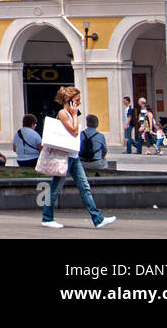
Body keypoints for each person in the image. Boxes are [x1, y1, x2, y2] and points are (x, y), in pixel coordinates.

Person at [41, 86, 116, 229]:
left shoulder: (69, 113)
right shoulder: (63, 113)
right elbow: (74, 131)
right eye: (77, 100)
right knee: (56, 188)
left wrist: (74, 114)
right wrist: (74, 115)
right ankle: (47, 217)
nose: (79, 103)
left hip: (73, 156)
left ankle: (97, 218)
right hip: (65, 156)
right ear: (69, 101)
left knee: (84, 187)